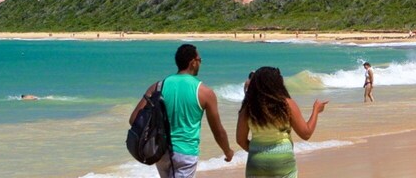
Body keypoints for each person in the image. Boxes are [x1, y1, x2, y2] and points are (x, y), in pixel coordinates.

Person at [130, 44, 235, 177]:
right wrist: (228, 151)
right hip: (186, 153)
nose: (200, 63)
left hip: (160, 151)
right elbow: (218, 131)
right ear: (192, 63)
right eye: (199, 60)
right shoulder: (205, 93)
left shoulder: (157, 86)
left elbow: (134, 119)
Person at [236, 66, 327, 178]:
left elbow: (240, 140)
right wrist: (316, 110)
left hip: (256, 164)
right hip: (283, 164)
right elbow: (306, 133)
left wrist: (259, 151)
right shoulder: (286, 104)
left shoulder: (248, 107)